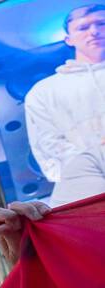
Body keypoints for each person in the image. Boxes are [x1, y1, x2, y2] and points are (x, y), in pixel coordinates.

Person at [25, 5, 105, 188]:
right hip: (93, 193)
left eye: (102, 23)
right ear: (69, 39)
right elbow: (50, 148)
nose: (94, 32)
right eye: (83, 28)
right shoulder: (43, 93)